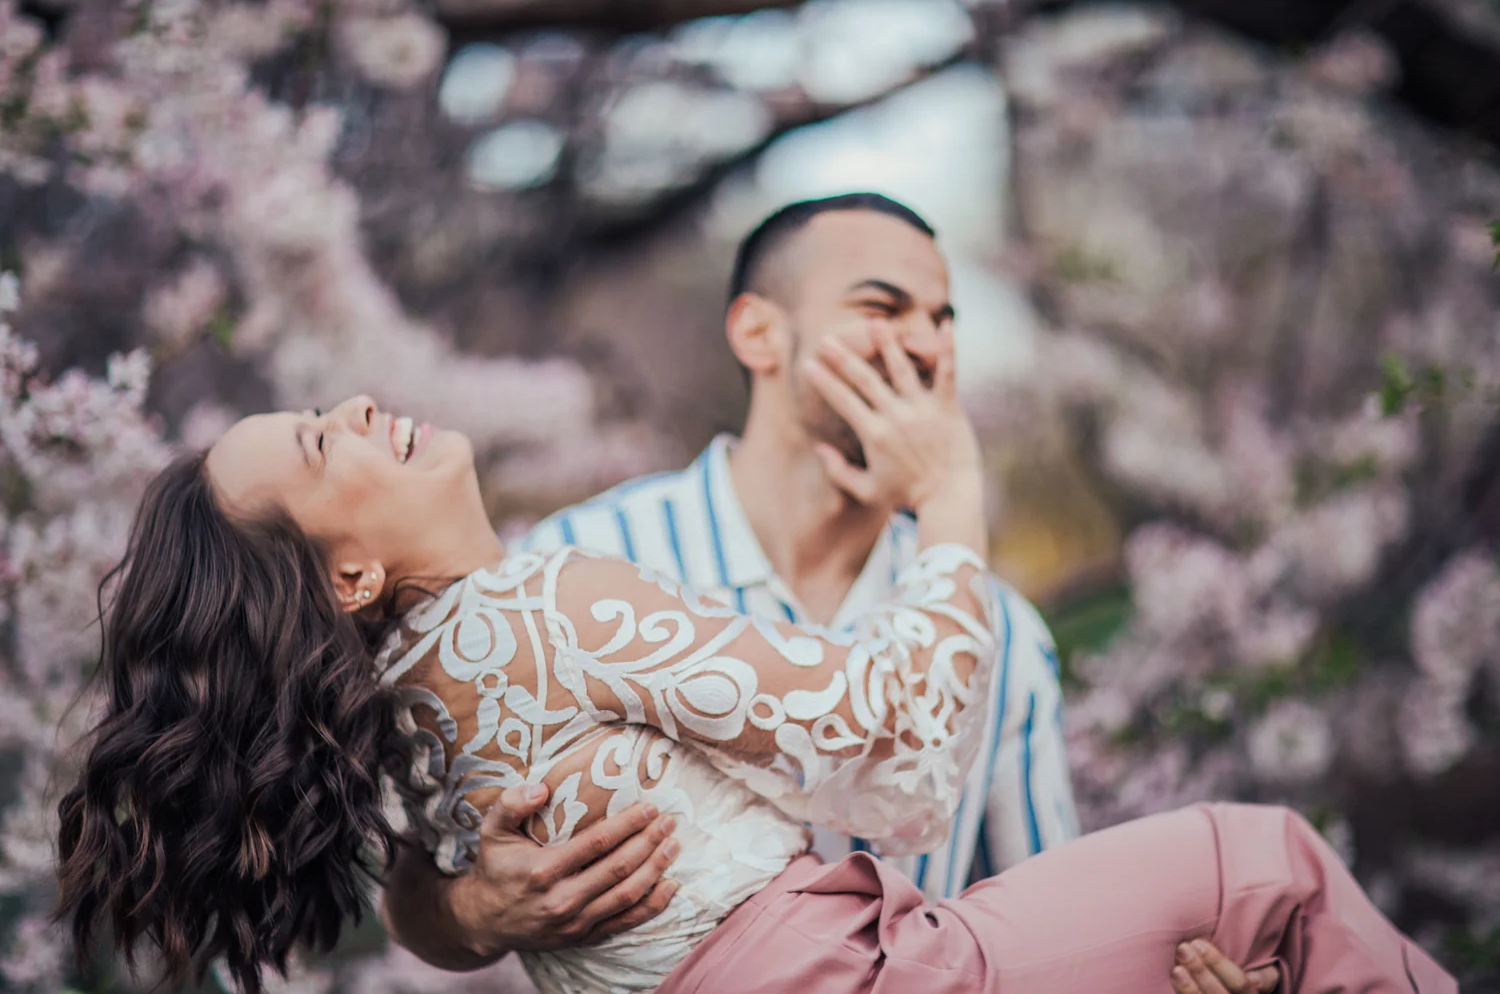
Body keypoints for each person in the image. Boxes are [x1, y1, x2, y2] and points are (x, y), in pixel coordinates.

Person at [56, 351, 1454, 991]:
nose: (355, 405)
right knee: (1264, 858)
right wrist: (955, 495)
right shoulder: (558, 600)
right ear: (346, 577)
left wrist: (456, 904)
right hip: (879, 975)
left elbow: (431, 891)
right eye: (320, 444)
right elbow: (890, 728)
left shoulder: (407, 706)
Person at [381, 194, 1089, 981]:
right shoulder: (570, 564)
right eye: (882, 307)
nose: (925, 344)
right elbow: (410, 877)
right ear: (759, 332)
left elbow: (1046, 921)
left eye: (943, 318)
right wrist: (472, 912)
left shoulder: (1002, 631)